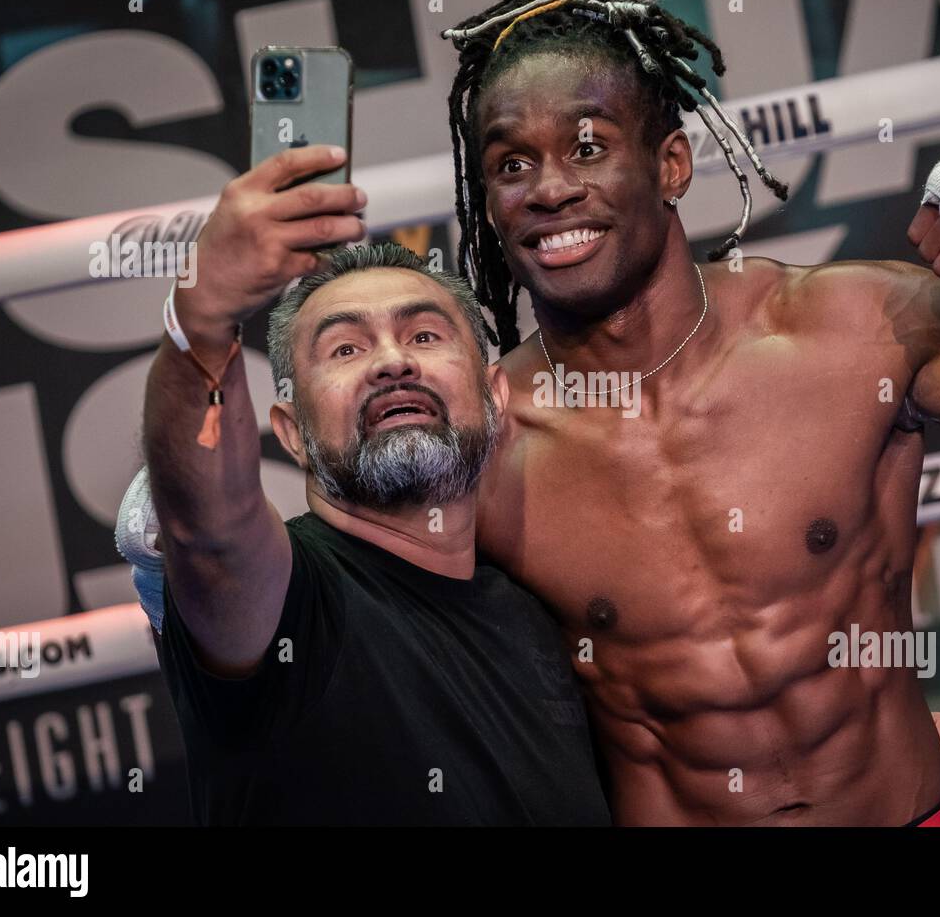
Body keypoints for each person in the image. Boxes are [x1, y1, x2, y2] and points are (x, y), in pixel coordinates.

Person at [428, 0, 940, 825]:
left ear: (672, 163)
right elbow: (345, 644)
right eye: (510, 163)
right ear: (489, 204)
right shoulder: (483, 440)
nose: (549, 188)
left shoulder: (856, 329)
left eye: (587, 147)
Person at [139, 169, 610, 824]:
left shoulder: (537, 615)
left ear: (494, 397)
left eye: (424, 335)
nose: (393, 361)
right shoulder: (289, 603)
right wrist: (203, 317)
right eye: (345, 347)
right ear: (293, 433)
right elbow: (210, 531)